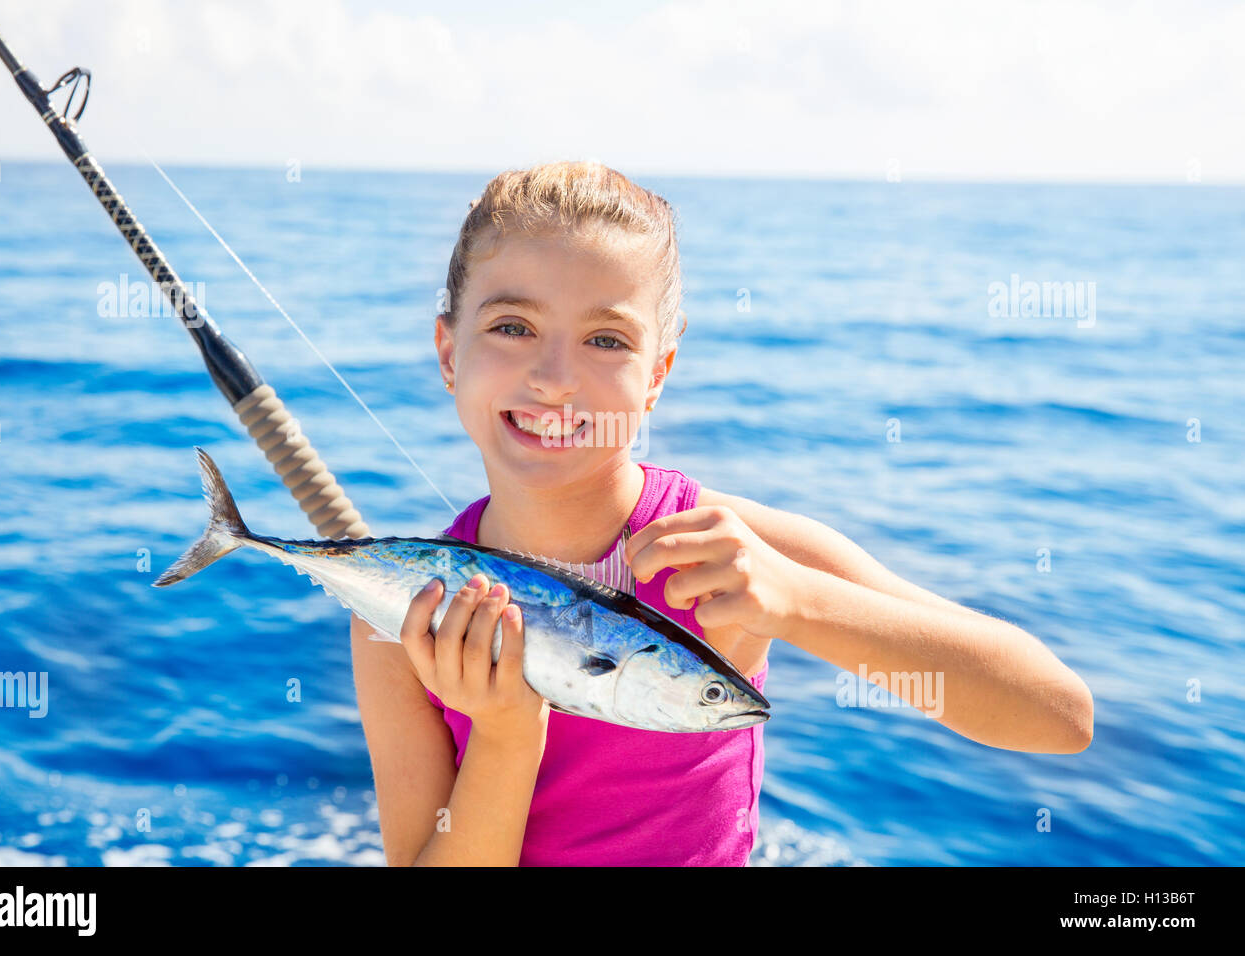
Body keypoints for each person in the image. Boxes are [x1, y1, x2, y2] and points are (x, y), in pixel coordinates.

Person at [349, 160, 1094, 866]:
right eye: (513, 326)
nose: (553, 380)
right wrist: (507, 740)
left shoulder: (732, 555)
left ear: (657, 376)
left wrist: (799, 602)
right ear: (449, 353)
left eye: (606, 340)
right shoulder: (402, 614)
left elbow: (1058, 715)